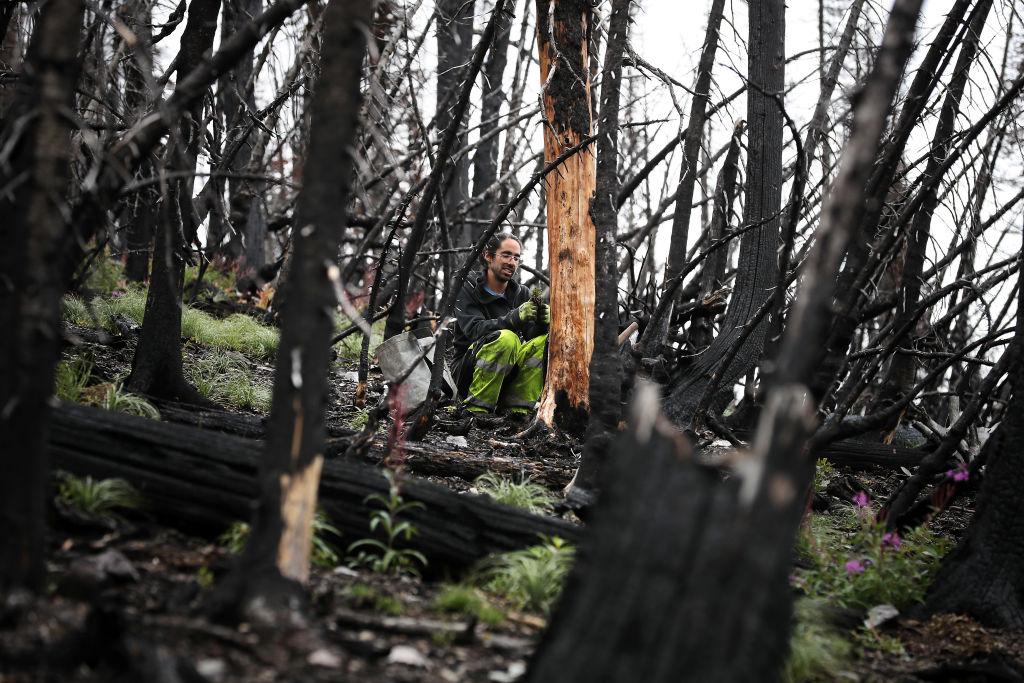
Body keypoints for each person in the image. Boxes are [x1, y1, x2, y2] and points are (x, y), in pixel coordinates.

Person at [452, 232, 549, 414]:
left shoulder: (522, 294)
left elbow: (531, 340)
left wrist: (543, 323)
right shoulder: (467, 287)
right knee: (507, 339)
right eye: (506, 255)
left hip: (506, 372)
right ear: (488, 256)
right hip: (468, 372)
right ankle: (477, 409)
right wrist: (513, 318)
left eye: (516, 258)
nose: (512, 262)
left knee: (545, 343)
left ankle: (516, 410)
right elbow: (474, 330)